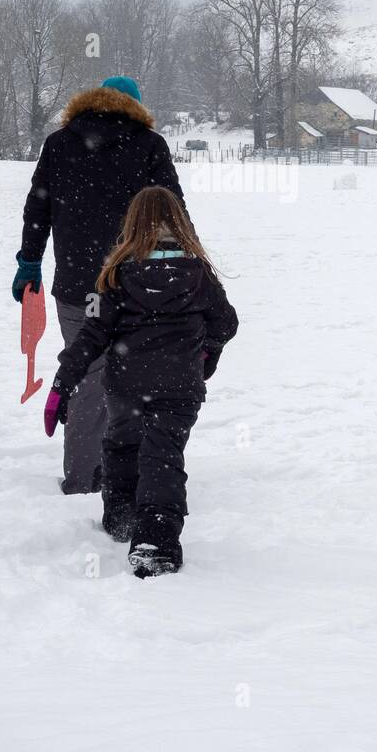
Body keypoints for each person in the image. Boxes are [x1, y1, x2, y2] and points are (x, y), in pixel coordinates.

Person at [43, 186, 238, 577]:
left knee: (122, 446)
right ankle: (155, 541)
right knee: (162, 457)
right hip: (180, 387)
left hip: (127, 385)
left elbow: (91, 336)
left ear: (131, 224)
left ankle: (122, 516)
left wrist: (62, 384)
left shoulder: (114, 277)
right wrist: (204, 356)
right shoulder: (199, 275)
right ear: (179, 224)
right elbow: (226, 323)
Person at [12, 76, 187, 497]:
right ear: (136, 106)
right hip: (134, 283)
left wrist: (29, 262)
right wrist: (184, 266)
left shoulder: (59, 143)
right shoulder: (149, 145)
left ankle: (84, 476)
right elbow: (172, 211)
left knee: (87, 372)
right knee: (132, 373)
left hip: (76, 285)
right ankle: (123, 472)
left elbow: (38, 207)